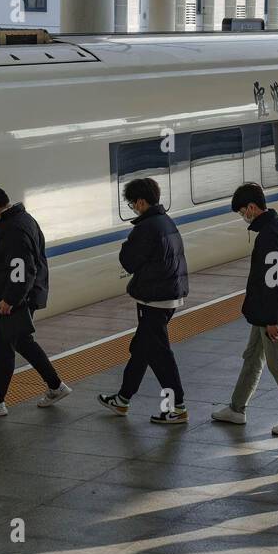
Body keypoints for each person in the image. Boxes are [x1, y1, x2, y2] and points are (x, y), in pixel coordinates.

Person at [212, 183, 278, 435]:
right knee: (253, 357)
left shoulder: (268, 235)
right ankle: (236, 408)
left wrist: (272, 319)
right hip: (264, 310)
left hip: (270, 312)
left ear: (252, 208)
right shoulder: (277, 226)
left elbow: (274, 283)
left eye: (243, 211)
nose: (243, 216)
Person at [0, 186, 71, 417]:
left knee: (4, 347)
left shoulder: (13, 227)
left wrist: (9, 299)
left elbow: (23, 267)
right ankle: (55, 386)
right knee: (20, 342)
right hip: (22, 295)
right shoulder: (21, 220)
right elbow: (14, 255)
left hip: (15, 297)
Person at [99, 177, 189, 424]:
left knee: (159, 355)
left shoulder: (146, 227)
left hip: (154, 299)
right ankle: (123, 399)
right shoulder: (165, 222)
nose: (132, 207)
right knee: (142, 349)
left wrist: (126, 245)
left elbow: (128, 261)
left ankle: (177, 407)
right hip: (168, 294)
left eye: (131, 203)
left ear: (141, 202)